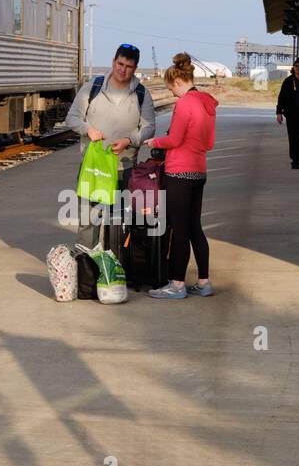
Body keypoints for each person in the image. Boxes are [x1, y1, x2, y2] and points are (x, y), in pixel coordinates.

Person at [65, 43, 156, 246]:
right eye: (120, 64)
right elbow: (72, 118)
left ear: (135, 68)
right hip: (93, 168)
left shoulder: (142, 94)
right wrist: (88, 129)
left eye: (129, 66)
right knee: (88, 223)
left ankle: (116, 271)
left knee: (120, 224)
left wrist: (129, 140)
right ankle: (87, 270)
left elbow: (149, 127)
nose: (123, 70)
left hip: (125, 169)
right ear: (113, 62)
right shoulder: (93, 87)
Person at [147, 52, 218, 299]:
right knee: (195, 228)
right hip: (199, 171)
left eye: (171, 90)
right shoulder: (208, 102)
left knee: (179, 230)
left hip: (179, 172)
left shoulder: (185, 103)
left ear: (178, 82)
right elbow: (209, 142)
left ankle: (177, 285)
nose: (172, 94)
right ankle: (204, 282)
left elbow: (174, 139)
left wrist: (154, 141)